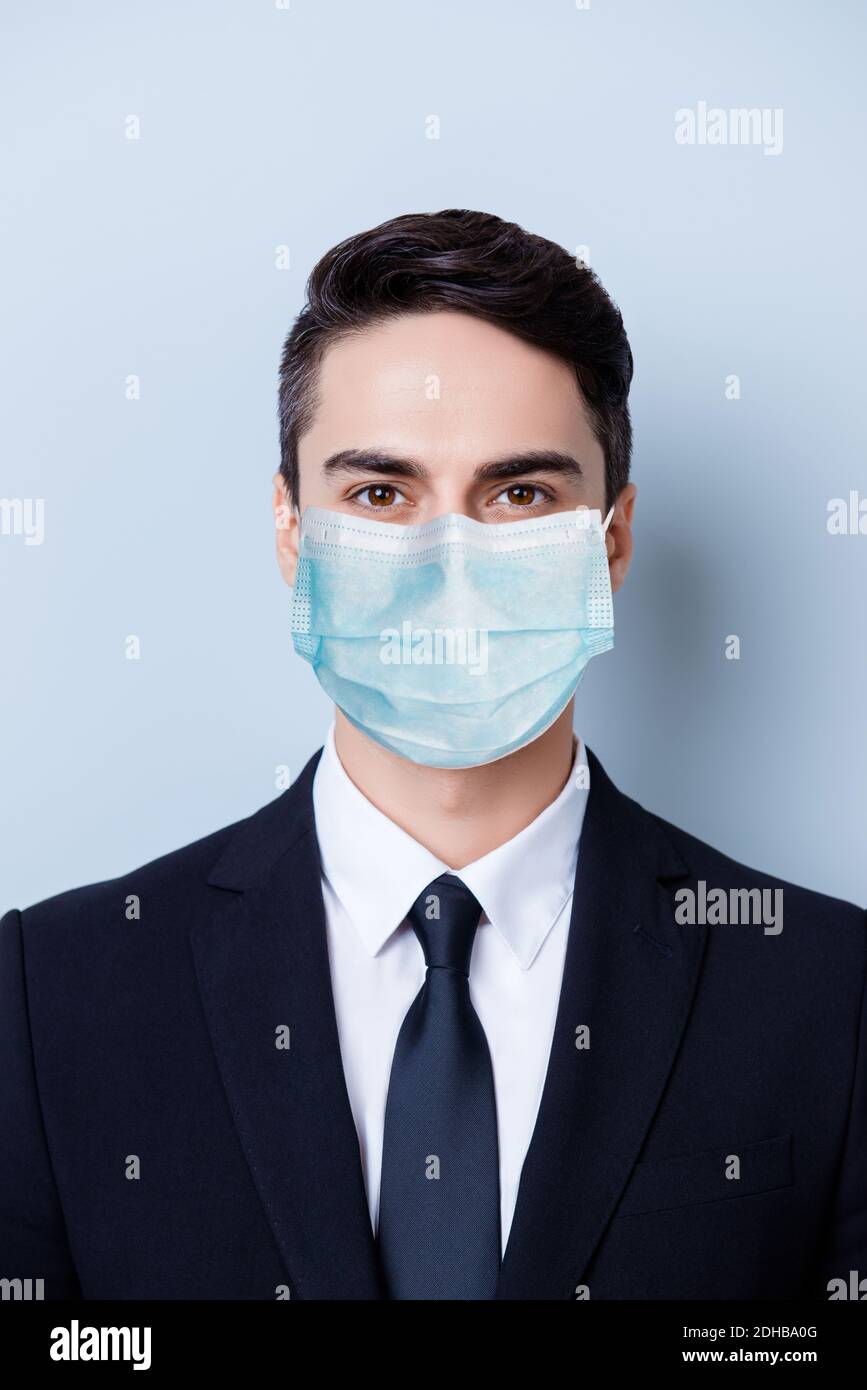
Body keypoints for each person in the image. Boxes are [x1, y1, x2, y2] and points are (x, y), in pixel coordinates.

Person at [1, 210, 864, 1301]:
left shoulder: (829, 993)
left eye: (519, 495)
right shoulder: (52, 994)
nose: (445, 562)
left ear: (613, 540)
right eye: (378, 494)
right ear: (291, 531)